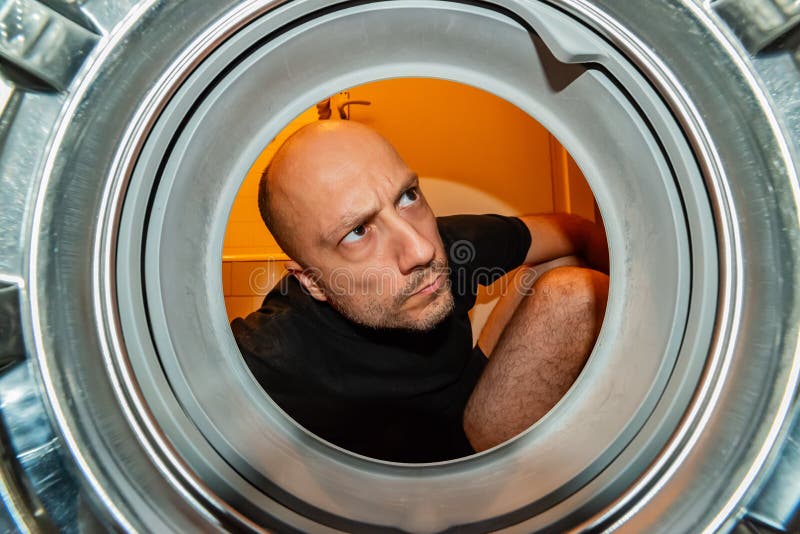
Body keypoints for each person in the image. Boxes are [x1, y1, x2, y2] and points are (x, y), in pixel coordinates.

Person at [231, 120, 609, 462]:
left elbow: (574, 230)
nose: (421, 250)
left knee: (570, 274)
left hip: (477, 410)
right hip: (407, 490)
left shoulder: (450, 243)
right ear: (312, 282)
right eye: (358, 231)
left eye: (407, 196)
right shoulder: (278, 349)